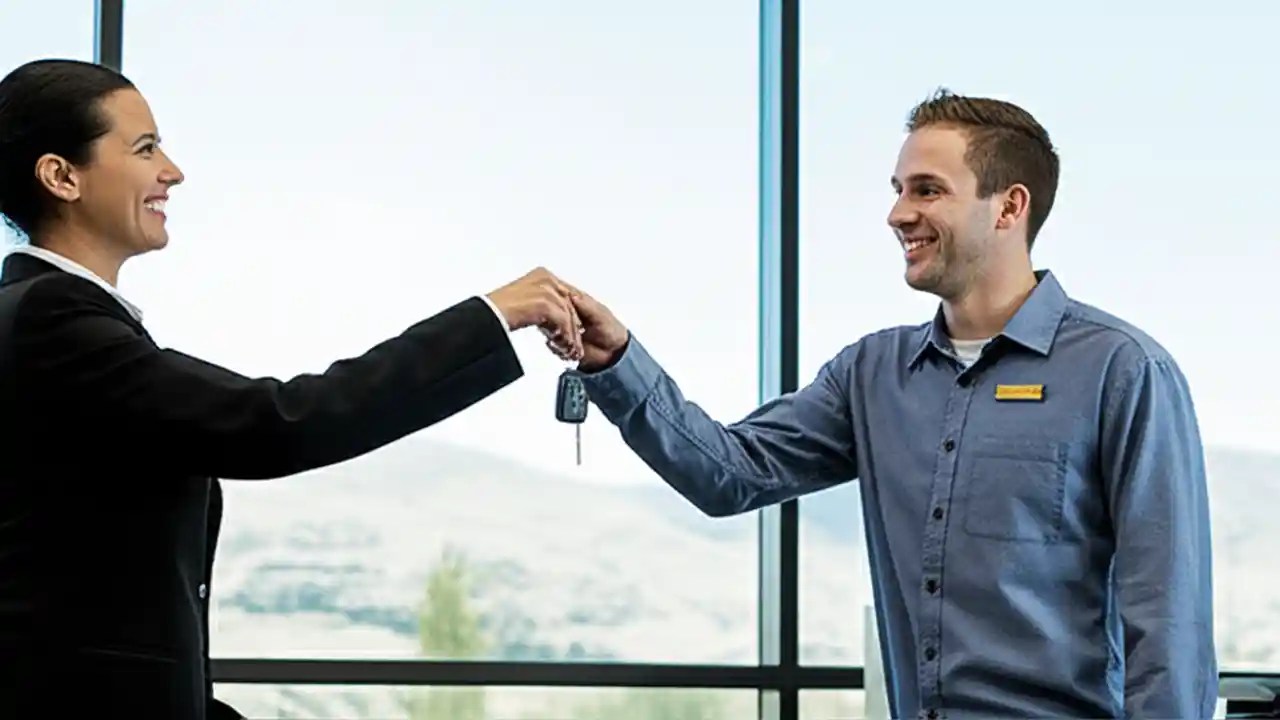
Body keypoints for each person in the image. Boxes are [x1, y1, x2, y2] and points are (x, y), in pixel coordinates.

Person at [560, 90, 1217, 719]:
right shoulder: (871, 374)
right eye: (899, 190)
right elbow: (729, 473)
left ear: (1008, 207)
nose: (899, 214)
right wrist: (616, 361)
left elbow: (1167, 620)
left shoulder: (1123, 372)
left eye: (927, 190)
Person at [0, 58, 582, 720]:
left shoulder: (54, 321)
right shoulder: (55, 323)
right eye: (145, 148)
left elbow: (93, 595)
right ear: (61, 176)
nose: (173, 170)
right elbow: (281, 421)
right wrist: (493, 315)